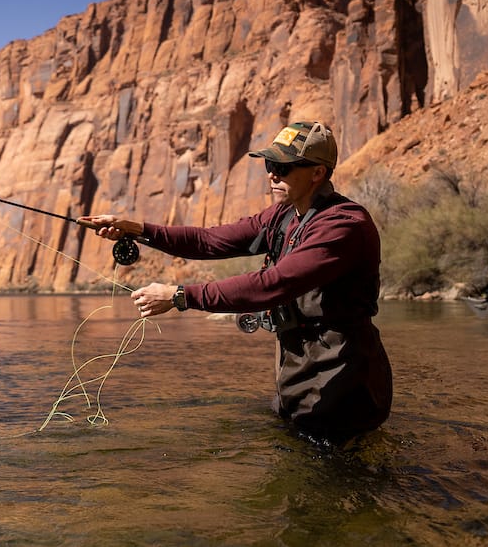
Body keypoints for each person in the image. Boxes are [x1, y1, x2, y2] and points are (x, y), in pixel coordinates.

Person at [80, 120, 392, 444]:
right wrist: (138, 230)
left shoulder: (343, 225)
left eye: (283, 168)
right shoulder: (282, 215)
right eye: (271, 165)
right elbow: (209, 241)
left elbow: (273, 284)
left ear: (317, 173)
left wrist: (180, 297)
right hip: (298, 372)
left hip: (344, 379)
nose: (272, 175)